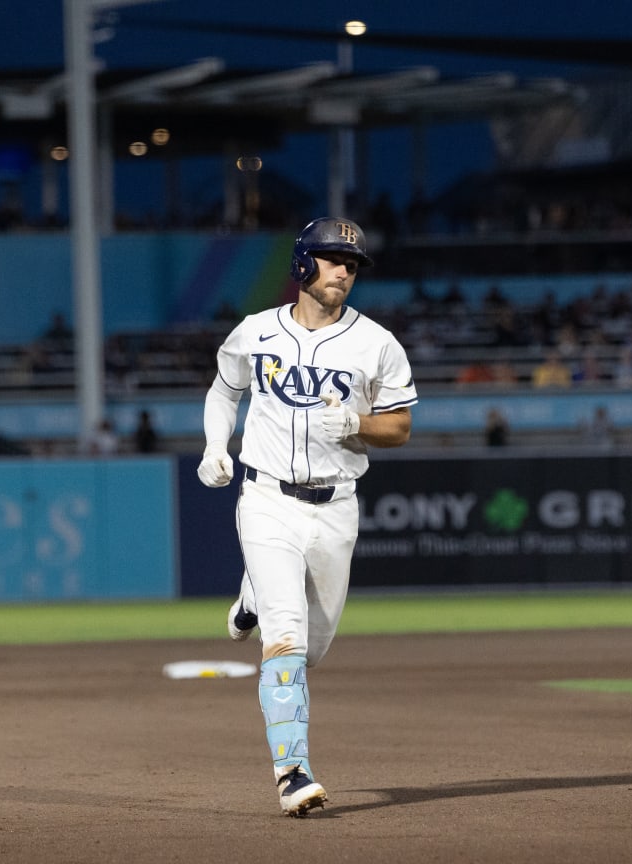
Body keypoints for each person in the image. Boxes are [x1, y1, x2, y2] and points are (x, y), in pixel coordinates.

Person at [197, 216, 417, 817]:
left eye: (351, 264)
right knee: (285, 640)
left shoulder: (375, 343)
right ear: (301, 265)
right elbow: (224, 390)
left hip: (335, 506)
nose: (344, 270)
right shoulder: (255, 332)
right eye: (330, 259)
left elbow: (399, 425)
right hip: (266, 497)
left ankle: (249, 599)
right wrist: (217, 446)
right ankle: (292, 772)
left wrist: (357, 423)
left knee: (311, 651)